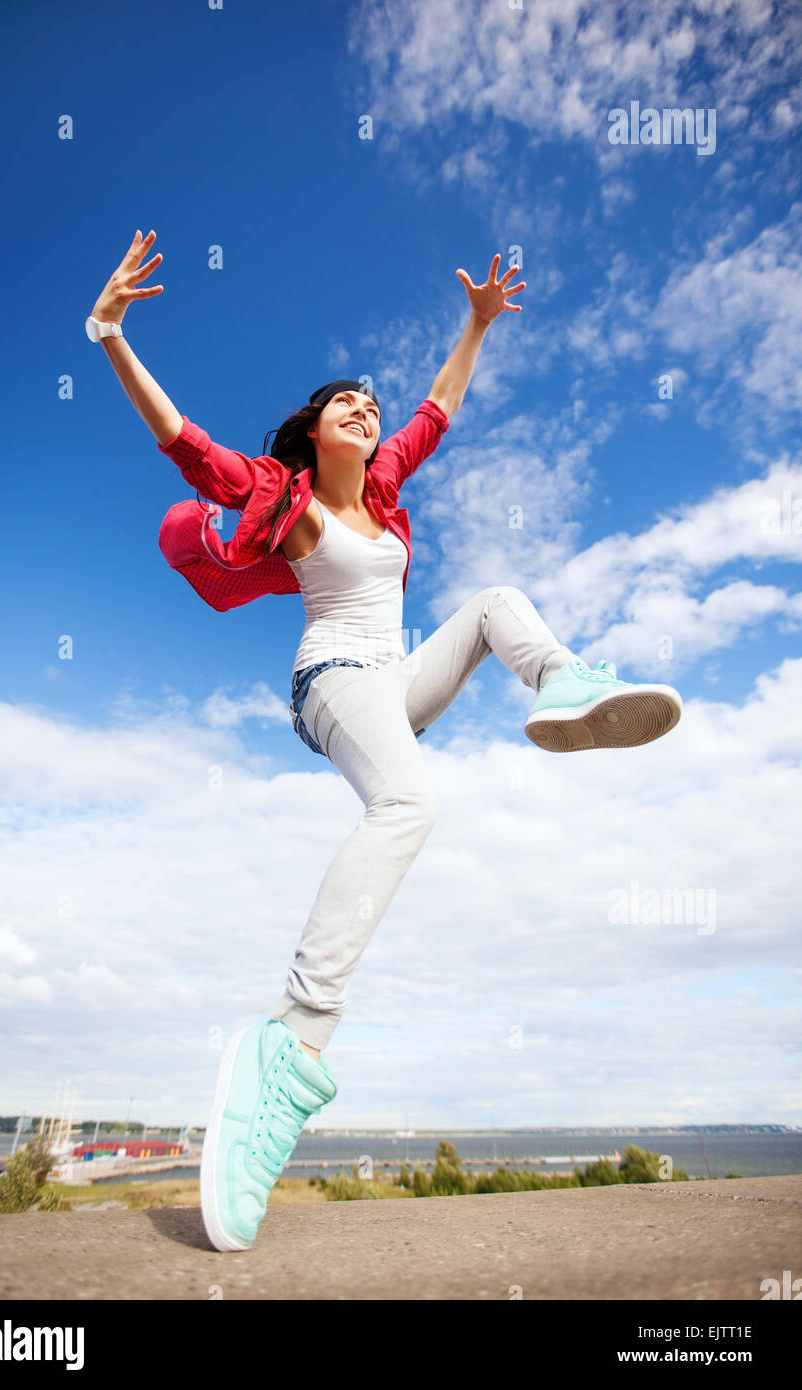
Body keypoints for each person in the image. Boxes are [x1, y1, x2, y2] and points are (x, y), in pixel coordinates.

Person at [87, 230, 683, 1252]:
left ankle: (563, 688)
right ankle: (292, 1041)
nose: (364, 408)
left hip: (396, 686)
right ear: (313, 433)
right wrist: (108, 335)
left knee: (494, 601)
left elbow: (435, 409)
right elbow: (186, 442)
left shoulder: (389, 490)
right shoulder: (288, 500)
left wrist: (476, 323)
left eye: (367, 402)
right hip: (331, 688)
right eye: (343, 403)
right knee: (409, 802)